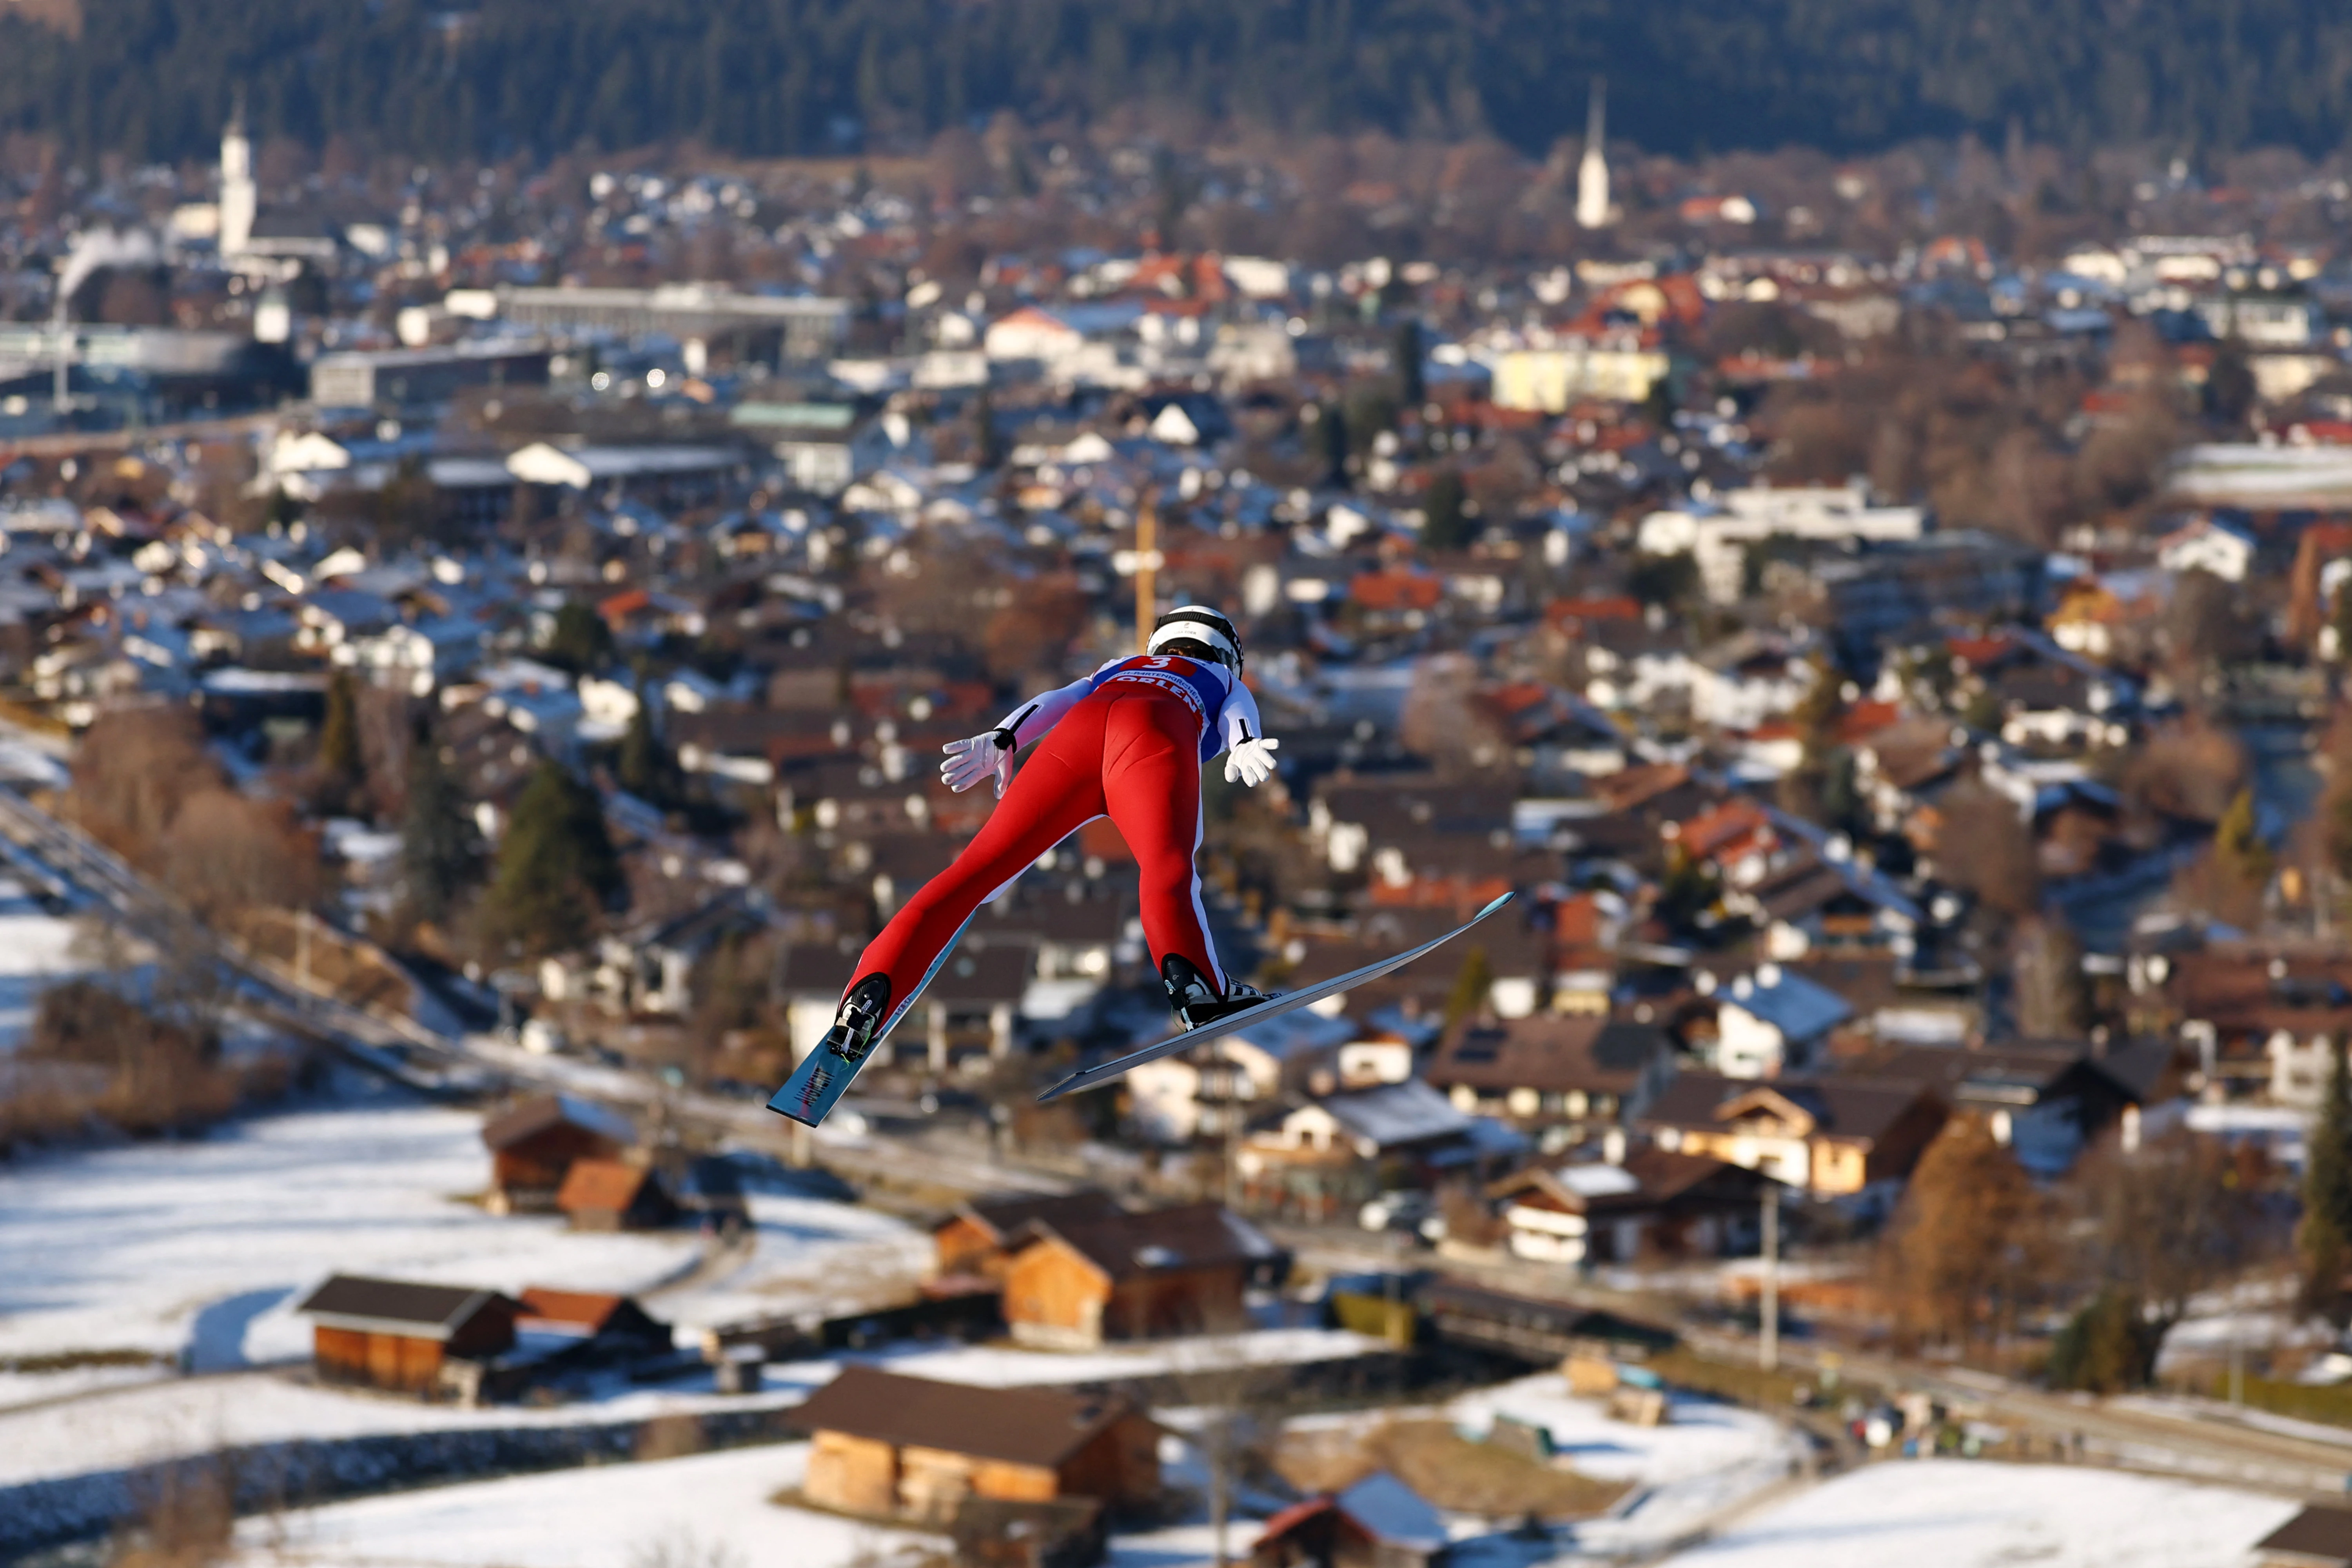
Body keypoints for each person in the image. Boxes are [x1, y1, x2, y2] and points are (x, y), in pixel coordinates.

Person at [815, 605, 1281, 1065]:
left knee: (974, 874)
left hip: (1074, 740)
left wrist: (1004, 737)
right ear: (1227, 653)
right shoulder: (1221, 679)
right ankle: (1200, 990)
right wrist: (1244, 742)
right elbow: (1238, 712)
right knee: (1168, 870)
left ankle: (869, 992)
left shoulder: (1119, 666)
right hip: (1153, 735)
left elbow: (1057, 699)